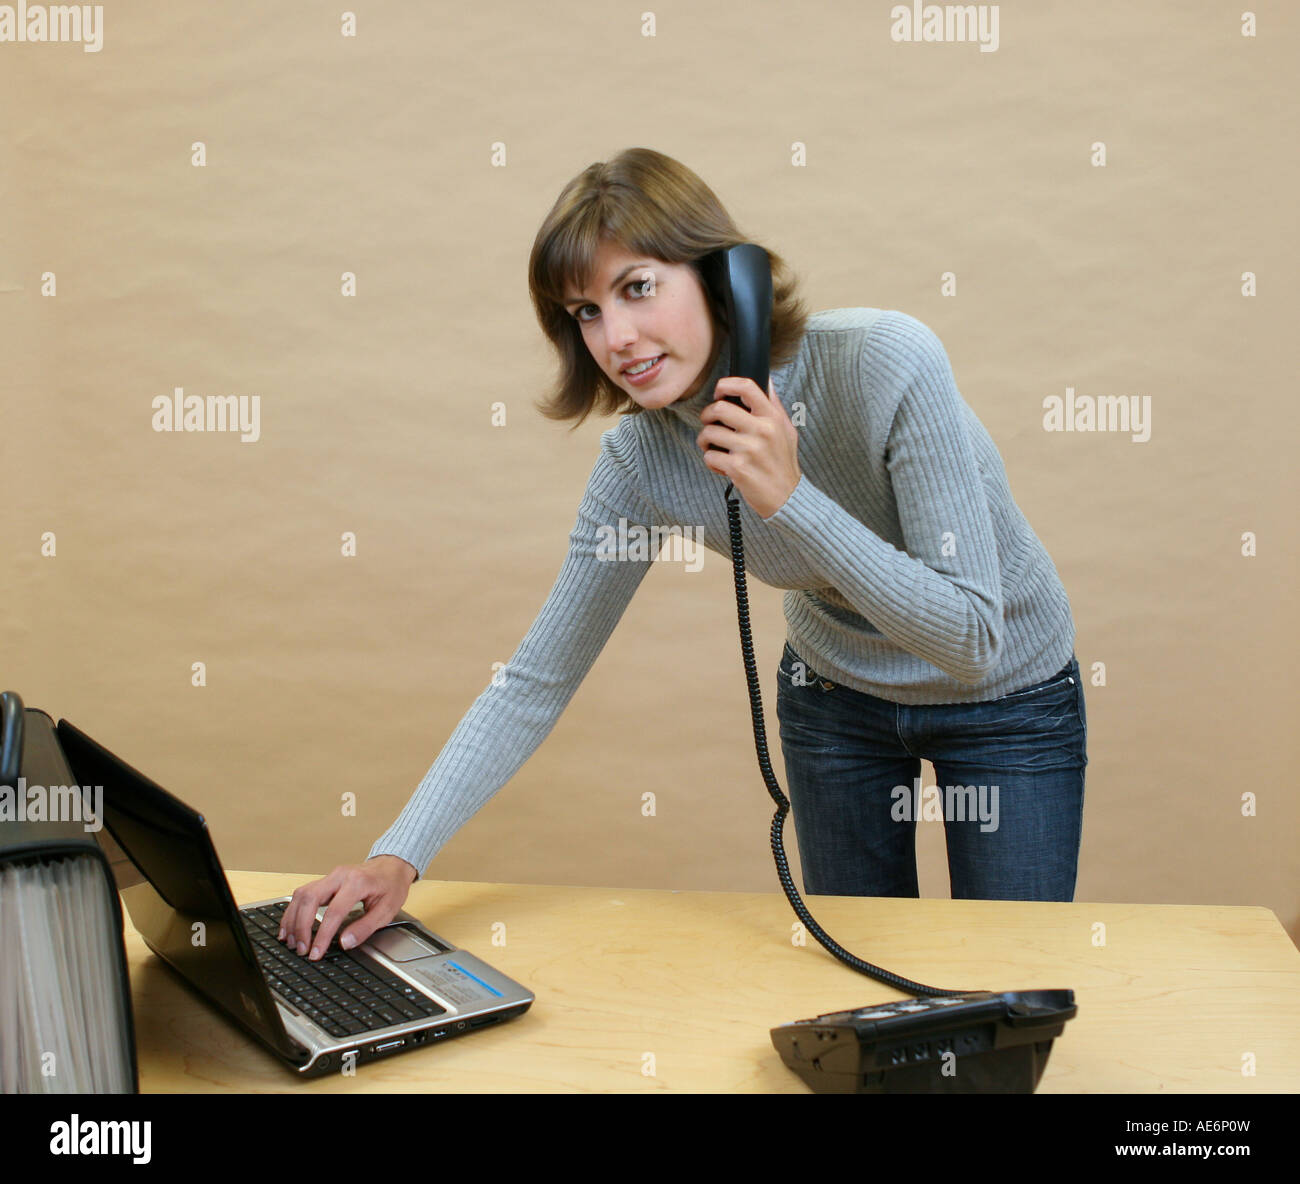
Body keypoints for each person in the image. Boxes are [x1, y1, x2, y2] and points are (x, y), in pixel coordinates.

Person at [277, 147, 1087, 962]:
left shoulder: (883, 362)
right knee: (867, 983)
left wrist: (790, 499)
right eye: (584, 311)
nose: (616, 337)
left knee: (1009, 983)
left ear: (723, 276)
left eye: (636, 288)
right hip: (838, 703)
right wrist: (398, 856)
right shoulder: (640, 462)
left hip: (1006, 700)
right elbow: (537, 678)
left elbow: (972, 640)